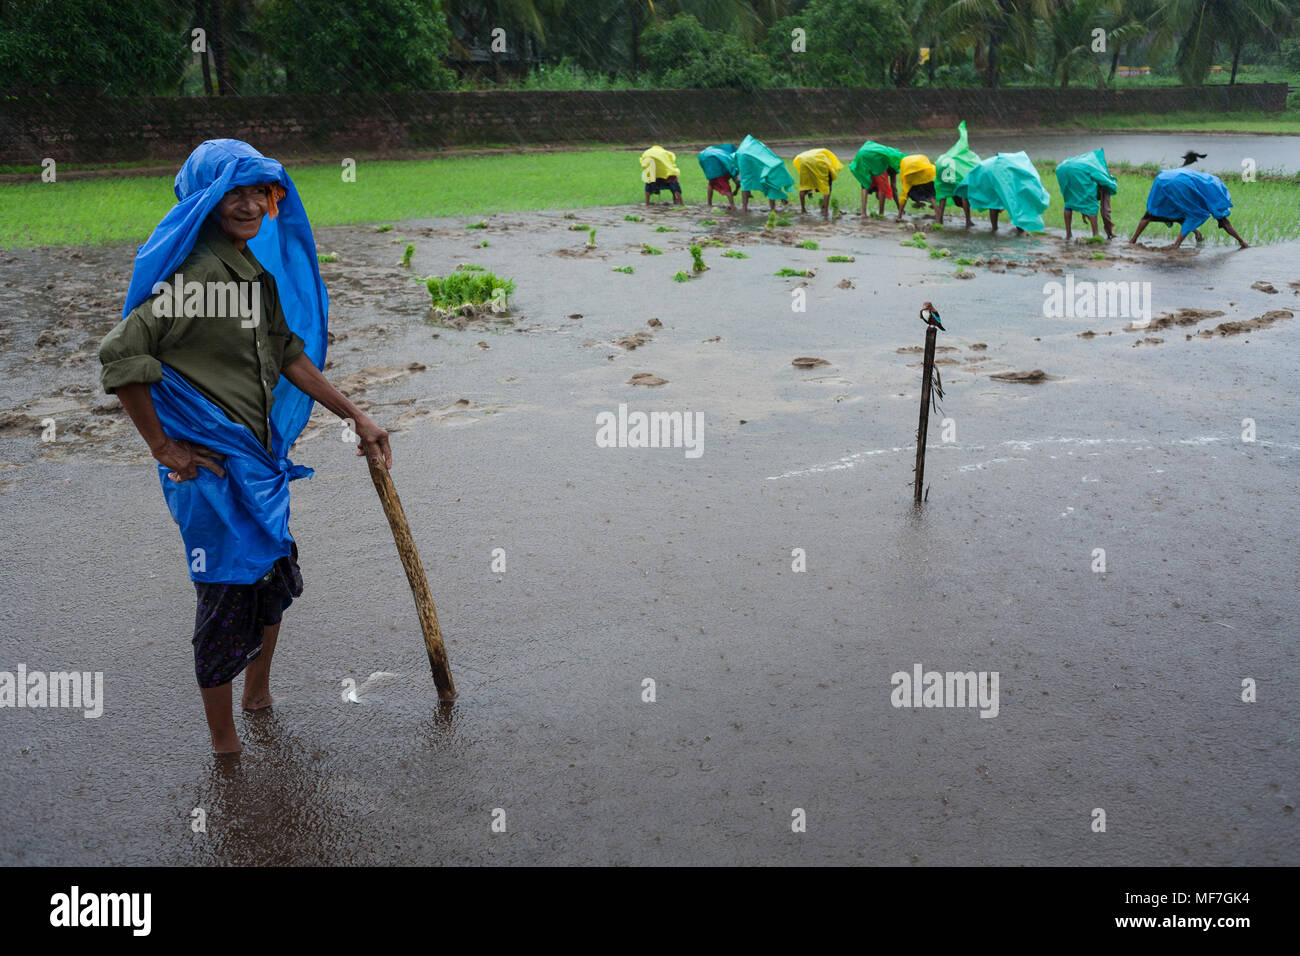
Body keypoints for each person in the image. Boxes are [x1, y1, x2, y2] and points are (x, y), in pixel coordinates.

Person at [98, 139, 391, 754]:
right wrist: (163, 447)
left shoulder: (250, 270)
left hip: (257, 463)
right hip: (211, 468)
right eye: (235, 190)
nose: (251, 202)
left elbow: (286, 351)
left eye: (260, 191)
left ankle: (258, 695)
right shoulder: (199, 276)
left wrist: (357, 416)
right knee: (226, 599)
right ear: (206, 200)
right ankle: (225, 745)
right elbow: (122, 356)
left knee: (272, 580)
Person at [1129, 167, 1249, 249]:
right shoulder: (1212, 198)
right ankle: (1176, 245)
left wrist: (1195, 231)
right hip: (1179, 182)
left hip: (1163, 178)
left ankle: (1132, 240)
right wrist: (1241, 241)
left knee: (1155, 213)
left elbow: (1184, 212)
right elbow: (1225, 223)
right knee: (1193, 214)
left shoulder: (1205, 184)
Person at [952, 151, 1050, 234]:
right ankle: (1017, 228)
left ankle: (996, 229)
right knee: (1007, 200)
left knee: (1000, 201)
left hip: (992, 172)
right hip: (994, 172)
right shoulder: (974, 176)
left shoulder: (972, 177)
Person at [1055, 147, 1118, 240]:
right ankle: (1095, 235)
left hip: (1061, 168)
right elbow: (1105, 213)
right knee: (1091, 206)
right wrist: (1109, 232)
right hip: (1077, 170)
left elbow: (1081, 198)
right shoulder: (1104, 183)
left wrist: (1084, 214)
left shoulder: (1090, 164)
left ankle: (1068, 235)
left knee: (1069, 202)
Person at [932, 121, 981, 226]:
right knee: (964, 194)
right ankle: (968, 220)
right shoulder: (964, 154)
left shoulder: (953, 152)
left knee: (943, 194)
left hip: (941, 164)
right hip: (951, 167)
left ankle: (939, 219)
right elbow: (963, 138)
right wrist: (962, 129)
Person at [735, 135, 795, 213]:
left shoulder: (745, 150)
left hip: (751, 165)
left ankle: (744, 208)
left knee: (746, 184)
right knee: (772, 186)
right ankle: (773, 209)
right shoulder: (762, 150)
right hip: (768, 168)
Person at [848, 141, 905, 217]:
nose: (878, 197)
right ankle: (881, 214)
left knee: (865, 183)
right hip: (873, 155)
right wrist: (900, 208)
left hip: (862, 152)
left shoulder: (888, 158)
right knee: (883, 187)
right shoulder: (894, 166)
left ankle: (863, 213)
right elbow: (894, 188)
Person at [793, 147, 844, 219]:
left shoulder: (821, 152)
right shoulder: (828, 157)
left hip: (803, 160)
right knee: (827, 187)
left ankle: (803, 210)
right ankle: (825, 212)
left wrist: (810, 191)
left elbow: (812, 180)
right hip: (817, 162)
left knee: (804, 186)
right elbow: (829, 173)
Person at [895, 153, 937, 222]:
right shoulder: (930, 170)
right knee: (932, 195)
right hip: (928, 176)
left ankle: (899, 217)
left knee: (908, 192)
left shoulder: (908, 178)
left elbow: (904, 197)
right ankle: (938, 217)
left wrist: (899, 216)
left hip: (919, 178)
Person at [698, 143, 741, 209]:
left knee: (711, 184)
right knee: (727, 189)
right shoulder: (733, 161)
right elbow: (737, 180)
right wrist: (736, 190)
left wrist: (736, 190)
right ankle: (732, 206)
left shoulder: (723, 152)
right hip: (719, 170)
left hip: (709, 163)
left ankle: (709, 204)